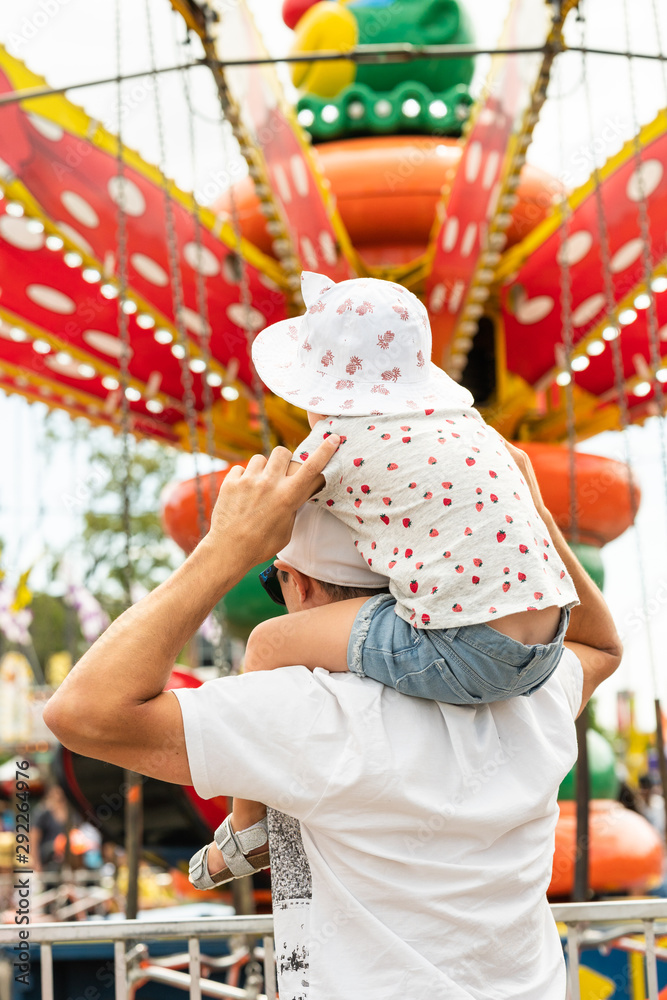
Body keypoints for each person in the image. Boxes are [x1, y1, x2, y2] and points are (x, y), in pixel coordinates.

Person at [43, 439, 622, 1000]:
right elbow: (603, 646)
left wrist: (227, 546)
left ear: (300, 583)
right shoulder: (534, 692)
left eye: (274, 581)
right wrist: (536, 515)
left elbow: (82, 713)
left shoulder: (310, 713)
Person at [196, 270, 579, 886]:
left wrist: (233, 524)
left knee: (267, 642)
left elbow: (270, 511)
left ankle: (248, 828)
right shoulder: (471, 428)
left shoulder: (330, 446)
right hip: (551, 643)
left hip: (467, 650)